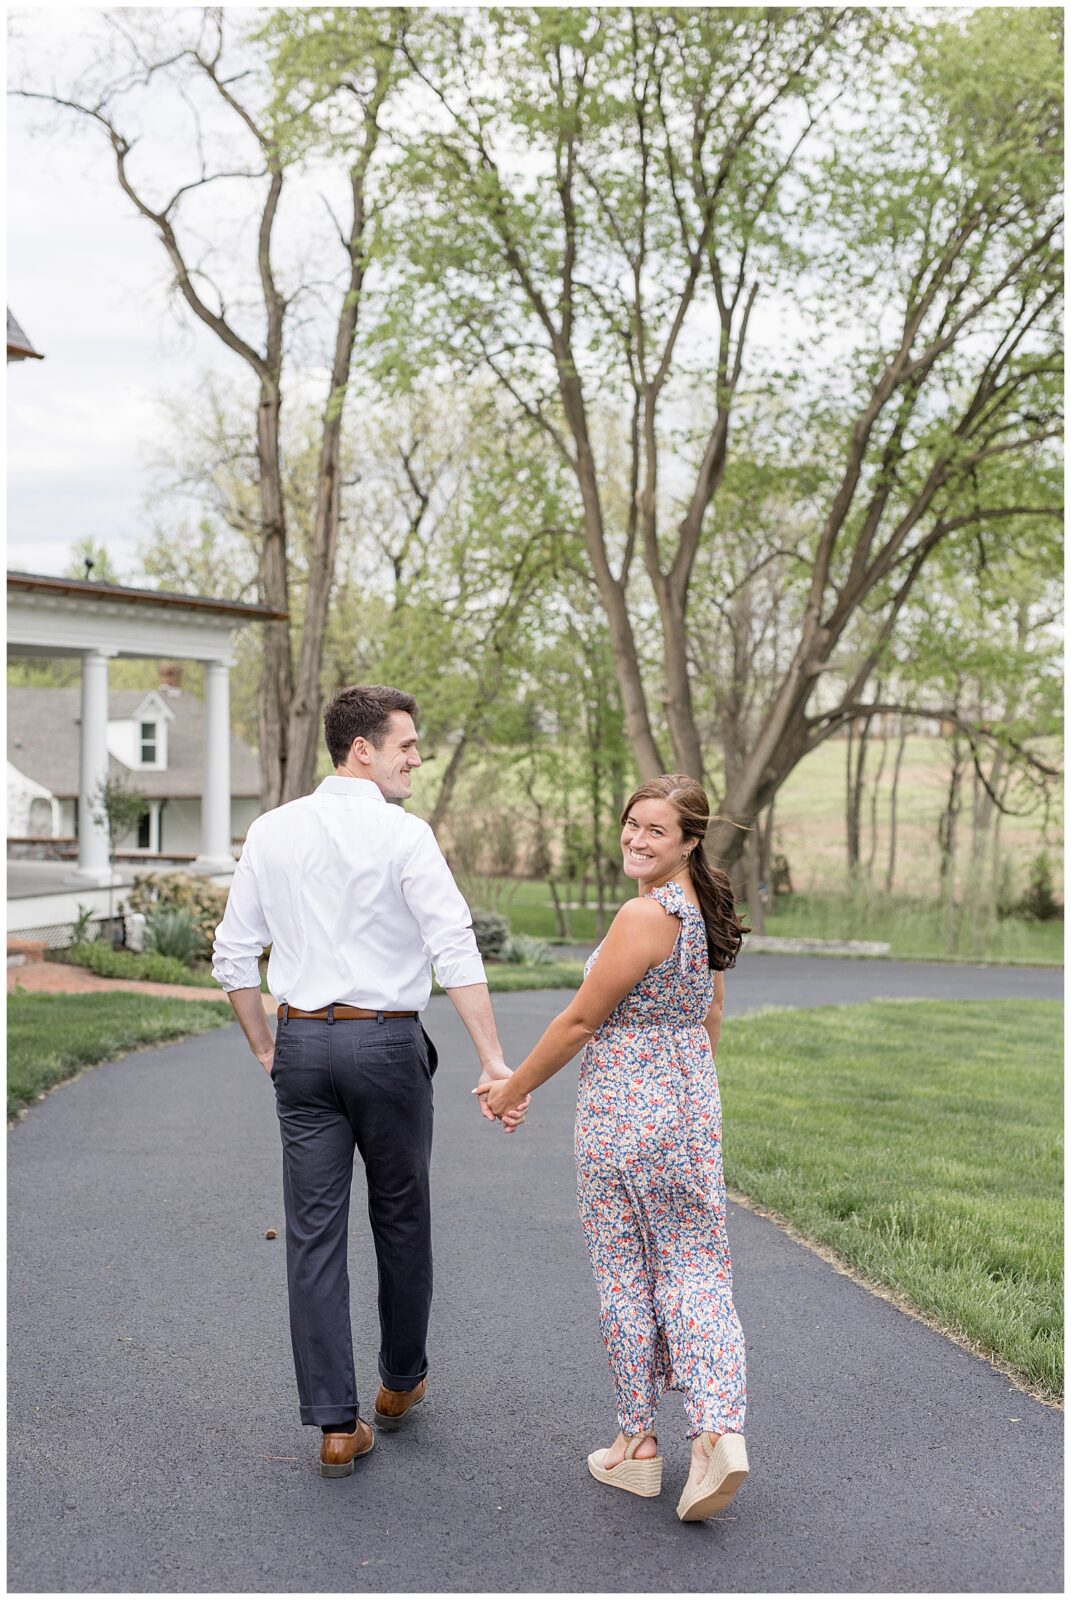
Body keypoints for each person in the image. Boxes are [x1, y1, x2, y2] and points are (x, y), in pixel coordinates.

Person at [212, 683, 528, 1478]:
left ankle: (332, 1424)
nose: (416, 758)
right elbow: (454, 947)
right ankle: (398, 1384)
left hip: (303, 1046)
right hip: (384, 1045)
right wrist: (493, 1060)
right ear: (363, 750)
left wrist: (264, 1047)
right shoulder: (402, 835)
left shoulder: (271, 830)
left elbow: (231, 957)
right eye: (407, 746)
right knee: (401, 1214)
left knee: (314, 1234)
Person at [479, 774, 749, 1521]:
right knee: (695, 1264)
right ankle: (705, 1430)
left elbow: (576, 1022)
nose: (635, 839)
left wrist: (510, 1089)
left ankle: (647, 1441)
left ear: (689, 840)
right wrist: (682, 1092)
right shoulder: (706, 911)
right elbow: (712, 1012)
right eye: (631, 824)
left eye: (655, 830)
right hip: (688, 1101)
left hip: (622, 1111)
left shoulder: (646, 913)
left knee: (627, 1269)